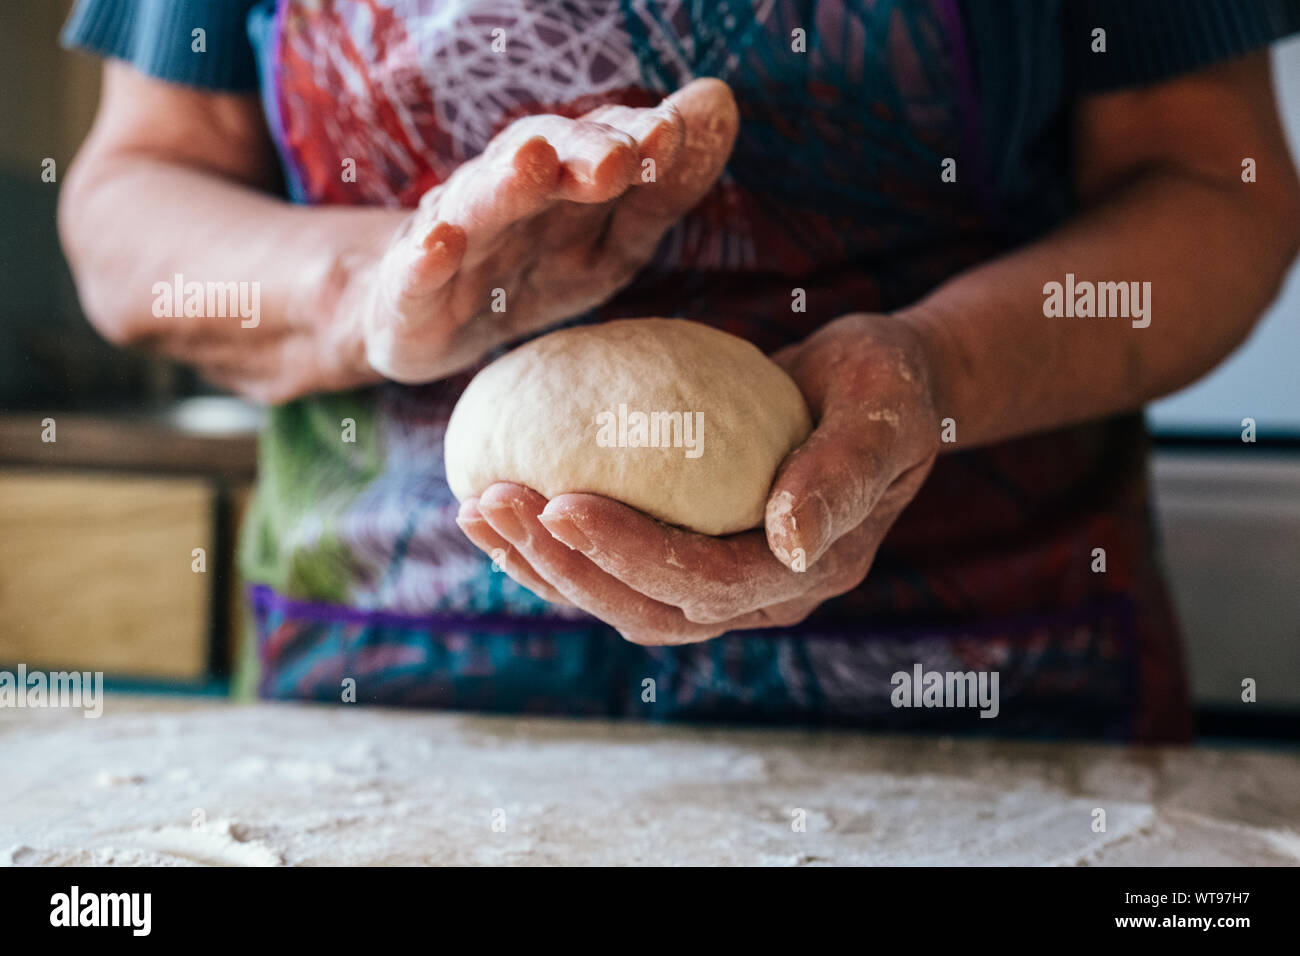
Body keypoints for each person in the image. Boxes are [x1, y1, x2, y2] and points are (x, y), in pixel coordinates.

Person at [59, 0, 1300, 740]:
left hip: (979, 700)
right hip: (391, 697)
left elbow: (1216, 186)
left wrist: (937, 363)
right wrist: (371, 283)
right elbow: (128, 200)